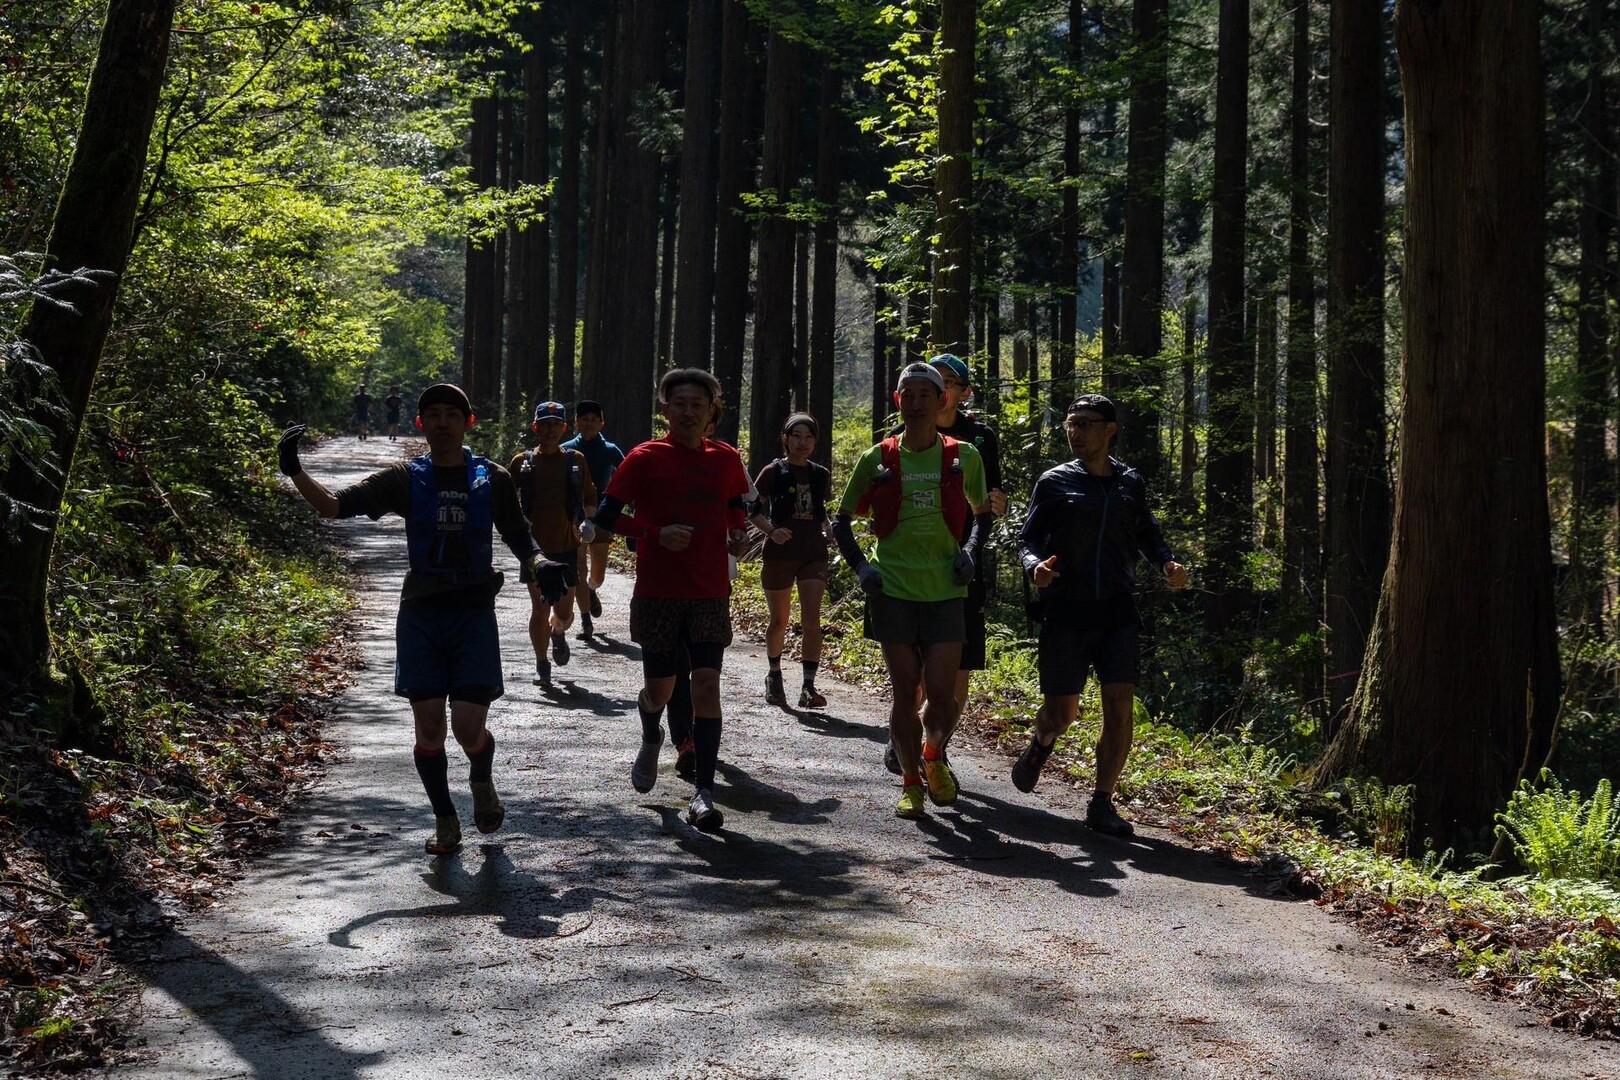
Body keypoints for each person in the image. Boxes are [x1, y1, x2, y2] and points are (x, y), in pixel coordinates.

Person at [276, 384, 566, 856]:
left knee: (468, 729)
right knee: (429, 728)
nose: (443, 422)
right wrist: (295, 471)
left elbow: (519, 536)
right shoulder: (406, 478)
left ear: (468, 423)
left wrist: (540, 564)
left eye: (452, 414)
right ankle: (445, 818)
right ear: (420, 424)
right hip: (422, 615)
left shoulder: (491, 478)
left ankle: (481, 780)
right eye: (433, 415)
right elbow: (333, 506)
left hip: (473, 614)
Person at [1011, 393, 1188, 837]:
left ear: (1110, 431)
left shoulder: (1130, 483)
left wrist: (1166, 563)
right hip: (1066, 610)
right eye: (1071, 424)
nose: (1075, 432)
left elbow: (1147, 532)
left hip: (1117, 609)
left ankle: (1102, 801)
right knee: (1061, 713)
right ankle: (1041, 742)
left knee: (1120, 705)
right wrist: (1035, 567)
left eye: (1085, 424)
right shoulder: (1054, 482)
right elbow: (1027, 539)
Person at [593, 369, 751, 832]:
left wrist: (737, 532)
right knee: (660, 690)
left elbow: (735, 504)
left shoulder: (726, 457)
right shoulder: (645, 457)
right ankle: (651, 734)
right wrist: (654, 533)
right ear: (665, 409)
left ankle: (703, 793)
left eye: (697, 405)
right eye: (679, 404)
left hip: (709, 592)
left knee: (706, 685)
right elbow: (606, 516)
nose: (688, 412)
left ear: (710, 411)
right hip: (658, 593)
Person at [833, 362, 991, 819]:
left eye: (927, 395)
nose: (917, 403)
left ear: (943, 401)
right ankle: (909, 784)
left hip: (946, 590)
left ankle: (932, 754)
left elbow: (982, 514)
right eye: (910, 395)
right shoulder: (877, 457)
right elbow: (841, 520)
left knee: (941, 697)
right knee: (905, 692)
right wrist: (862, 567)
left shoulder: (964, 456)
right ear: (898, 401)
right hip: (894, 588)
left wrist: (970, 552)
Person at [883, 353, 1006, 775]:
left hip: (961, 566)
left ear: (962, 392)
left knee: (958, 671)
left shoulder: (980, 439)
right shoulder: (899, 438)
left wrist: (997, 507)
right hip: (909, 570)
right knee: (915, 669)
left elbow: (992, 498)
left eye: (949, 382)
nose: (940, 390)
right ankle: (904, 740)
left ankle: (936, 747)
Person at [509, 400, 599, 686]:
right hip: (534, 551)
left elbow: (590, 496)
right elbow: (504, 498)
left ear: (564, 428)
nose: (550, 430)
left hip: (567, 547)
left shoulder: (575, 460)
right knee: (540, 608)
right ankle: (542, 665)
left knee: (564, 612)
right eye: (545, 425)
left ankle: (558, 632)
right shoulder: (522, 462)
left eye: (555, 425)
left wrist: (589, 522)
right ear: (535, 427)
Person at [749, 412, 833, 709]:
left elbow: (820, 511)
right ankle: (774, 675)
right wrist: (772, 531)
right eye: (796, 436)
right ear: (785, 439)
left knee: (812, 620)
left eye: (808, 437)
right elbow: (752, 509)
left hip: (813, 553)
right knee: (779, 620)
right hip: (780, 554)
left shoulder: (820, 474)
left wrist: (828, 528)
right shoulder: (773, 471)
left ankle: (808, 686)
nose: (802, 442)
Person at [561, 399, 627, 640]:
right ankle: (585, 620)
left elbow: (627, 475)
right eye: (584, 420)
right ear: (576, 423)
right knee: (579, 565)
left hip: (601, 515)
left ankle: (591, 589)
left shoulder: (610, 450)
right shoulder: (566, 449)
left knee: (598, 574)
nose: (589, 424)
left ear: (601, 424)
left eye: (593, 420)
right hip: (573, 515)